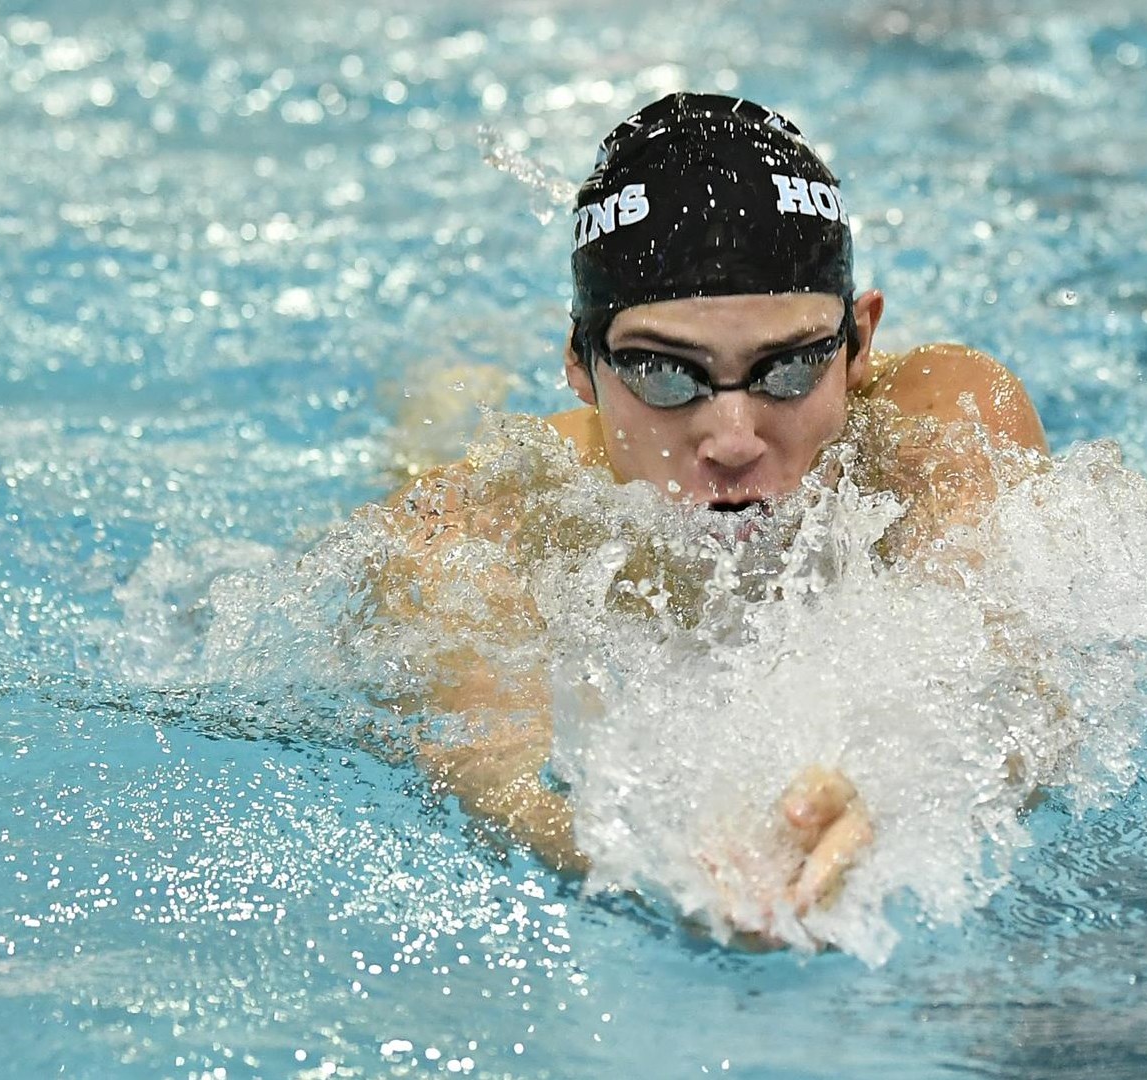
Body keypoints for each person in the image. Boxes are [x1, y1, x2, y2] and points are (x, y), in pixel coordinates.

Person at [375, 93, 1047, 936]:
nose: (731, 440)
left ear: (860, 344)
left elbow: (1016, 680)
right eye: (664, 375)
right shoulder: (479, 521)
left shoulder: (940, 423)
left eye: (788, 369)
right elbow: (493, 765)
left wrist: (901, 782)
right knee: (429, 445)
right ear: (580, 364)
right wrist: (658, 850)